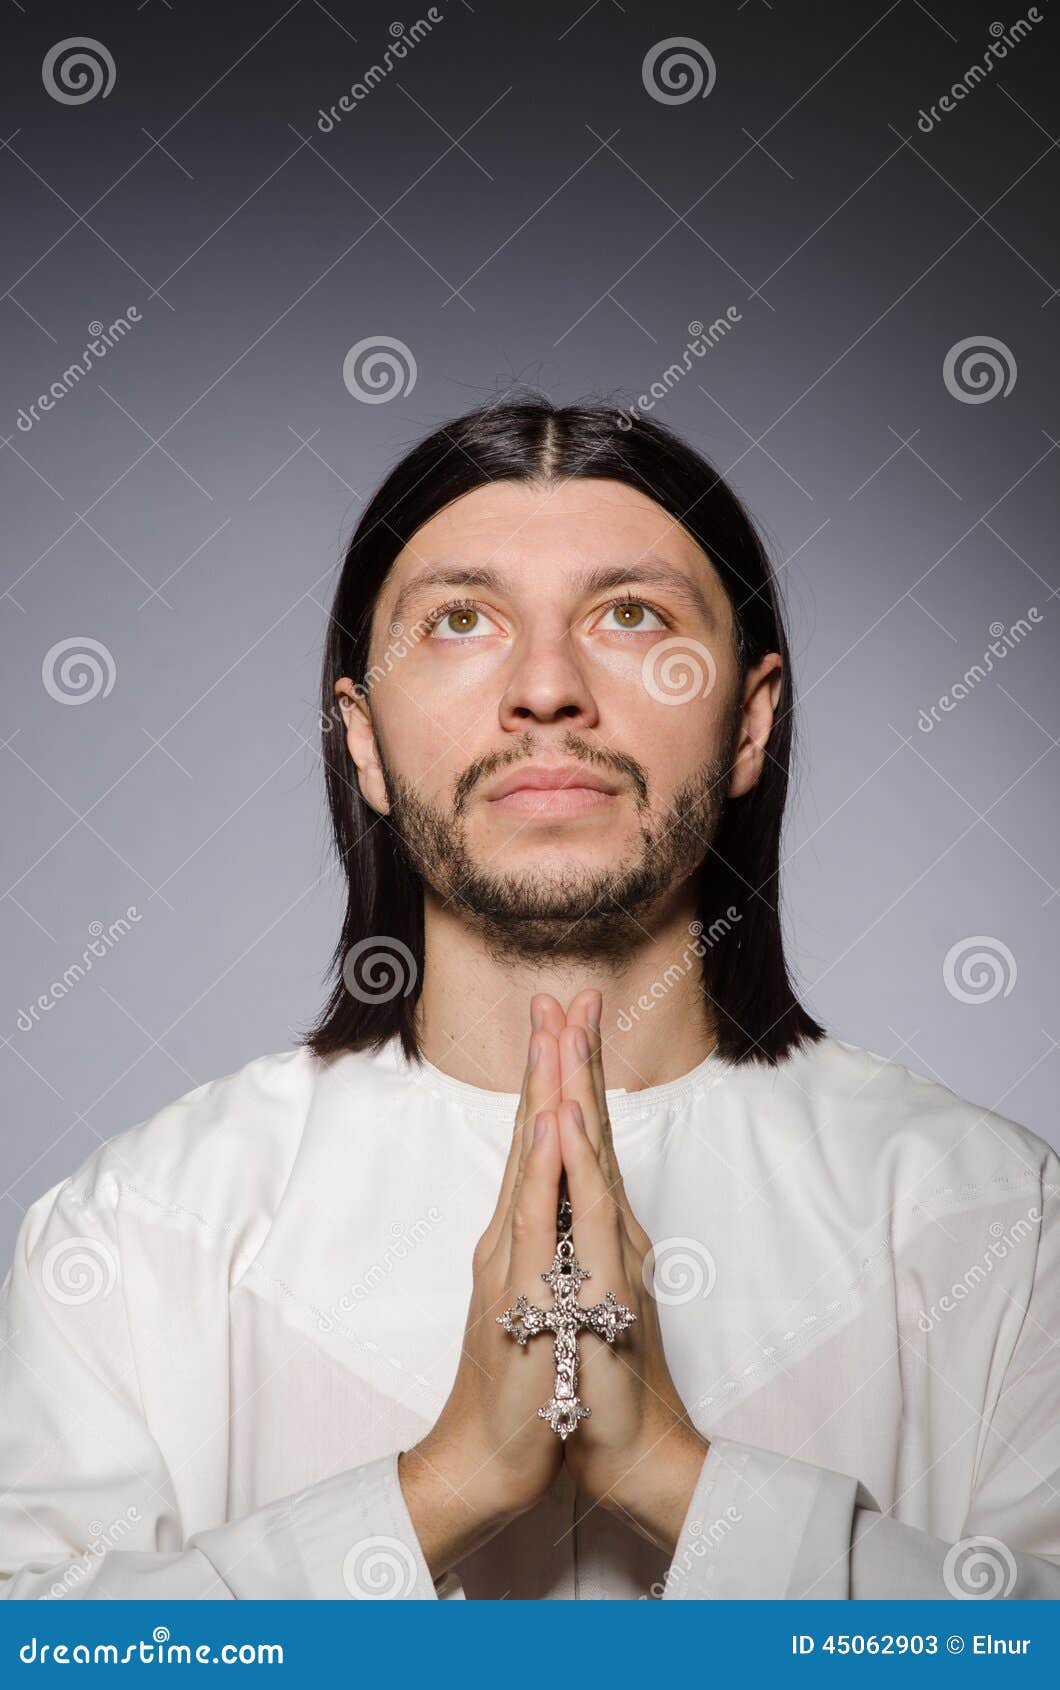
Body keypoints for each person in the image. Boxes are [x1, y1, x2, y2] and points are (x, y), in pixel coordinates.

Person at [2, 398, 1058, 1601]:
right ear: (362, 738)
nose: (546, 688)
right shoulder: (139, 1235)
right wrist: (440, 1488)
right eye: (459, 621)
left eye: (630, 616)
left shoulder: (999, 1227)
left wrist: (676, 1476)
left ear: (752, 720)